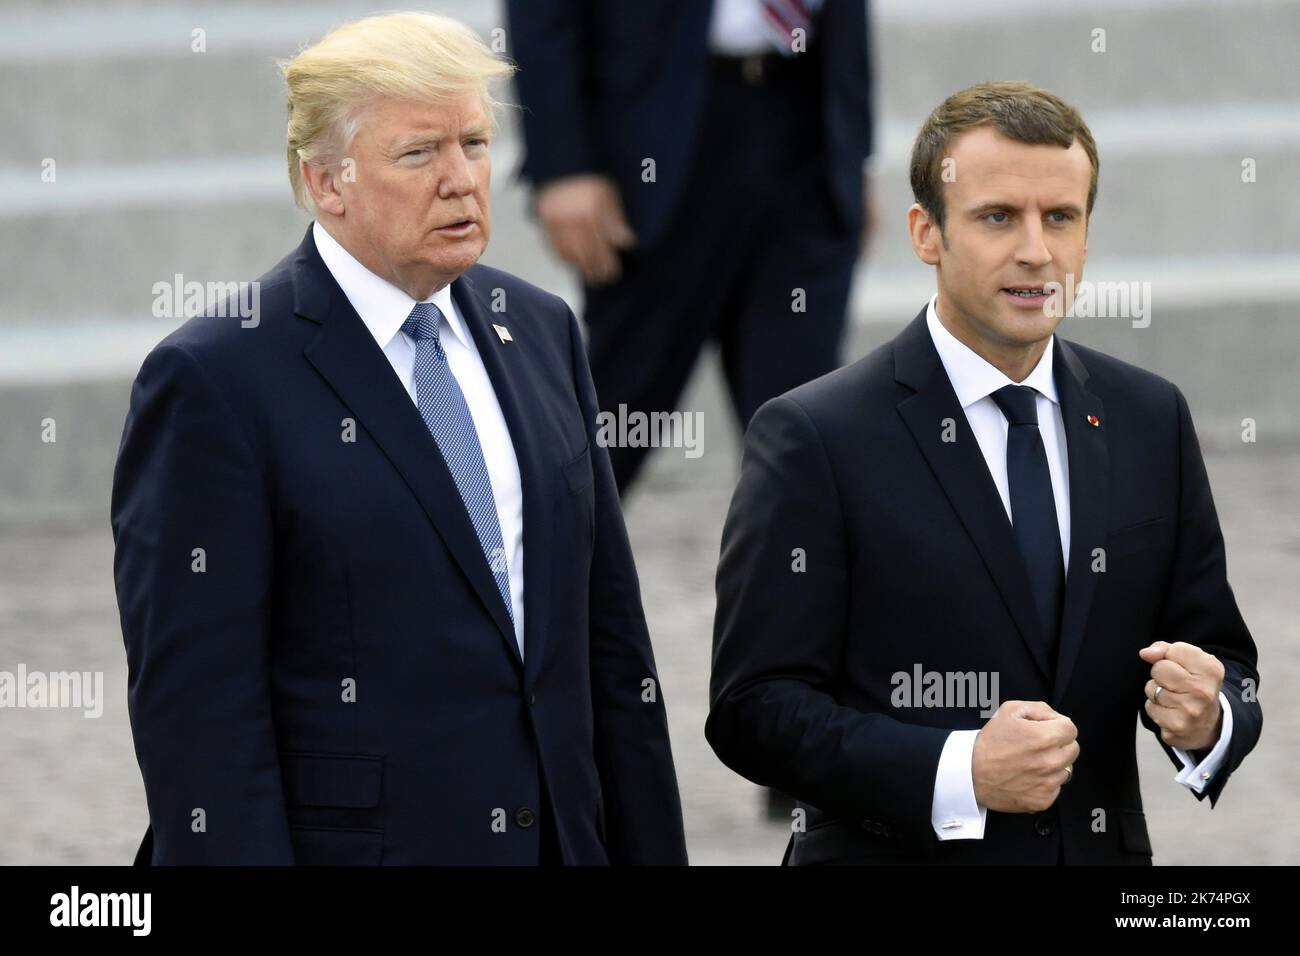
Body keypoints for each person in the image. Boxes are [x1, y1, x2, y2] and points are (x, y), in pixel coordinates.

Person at [111, 11, 687, 866]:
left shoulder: (541, 329)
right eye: (419, 154)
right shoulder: (213, 379)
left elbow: (611, 650)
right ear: (326, 182)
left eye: (476, 144)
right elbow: (199, 715)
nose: (461, 180)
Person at [706, 81, 1262, 865]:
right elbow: (752, 710)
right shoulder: (814, 436)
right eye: (998, 216)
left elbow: (1222, 656)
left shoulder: (1150, 418)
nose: (1035, 250)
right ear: (925, 233)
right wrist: (959, 770)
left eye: (1060, 218)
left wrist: (1210, 718)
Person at [507, 0, 875, 492]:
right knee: (614, 424)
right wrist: (561, 161)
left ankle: (788, 568)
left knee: (801, 432)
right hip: (659, 139)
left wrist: (855, 153)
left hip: (806, 125)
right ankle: (522, 563)